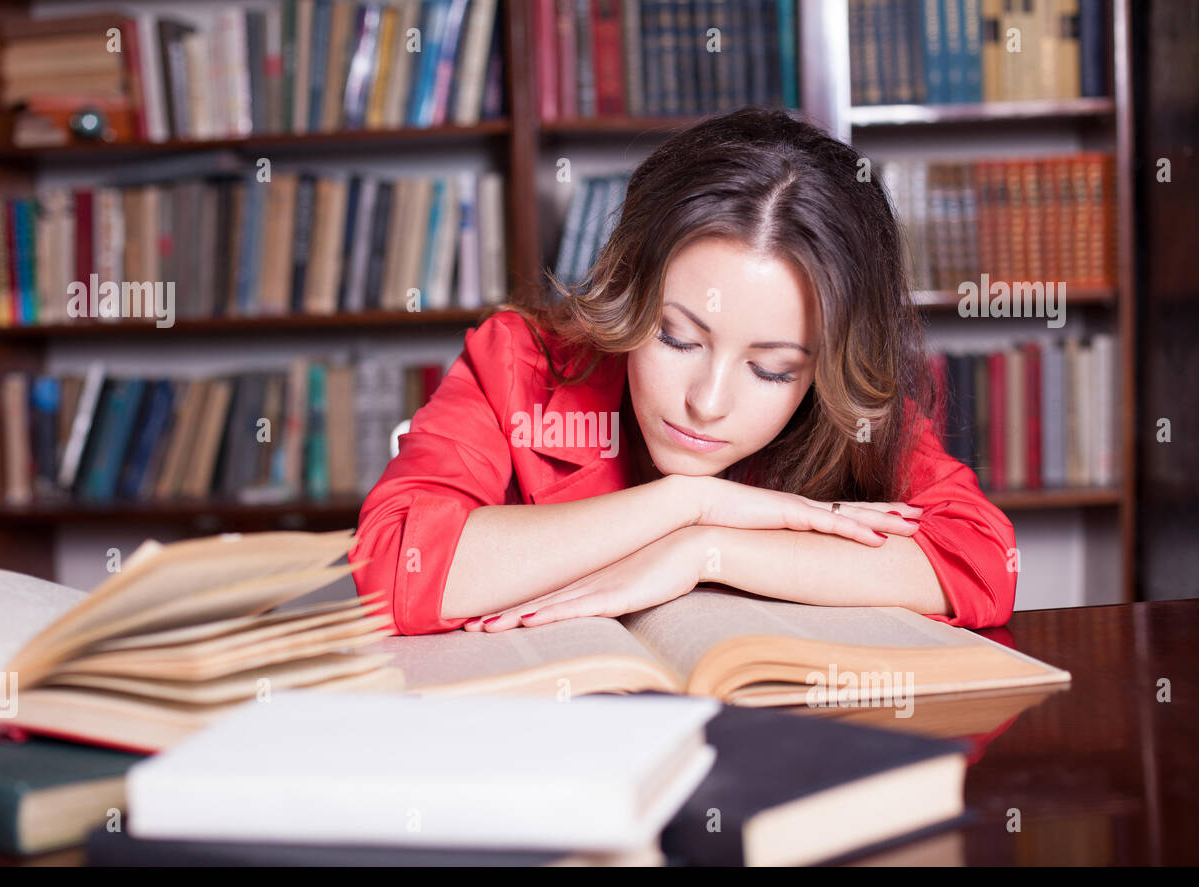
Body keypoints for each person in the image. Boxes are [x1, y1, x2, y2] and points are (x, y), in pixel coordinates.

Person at [349, 107, 1016, 636]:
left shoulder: (849, 412)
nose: (708, 402)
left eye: (773, 370)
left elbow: (983, 559)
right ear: (630, 290)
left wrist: (704, 550)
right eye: (677, 337)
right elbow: (391, 565)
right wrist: (687, 503)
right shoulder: (518, 362)